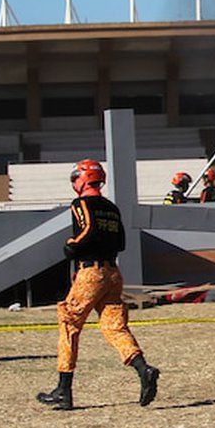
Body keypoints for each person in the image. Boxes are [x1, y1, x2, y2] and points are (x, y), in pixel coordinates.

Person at [36, 159, 159, 411]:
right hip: (113, 272)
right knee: (115, 327)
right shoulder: (112, 208)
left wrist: (72, 245)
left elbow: (88, 228)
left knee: (69, 323)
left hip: (91, 272)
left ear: (82, 179)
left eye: (75, 178)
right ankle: (143, 368)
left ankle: (64, 390)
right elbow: (121, 241)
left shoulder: (80, 203)